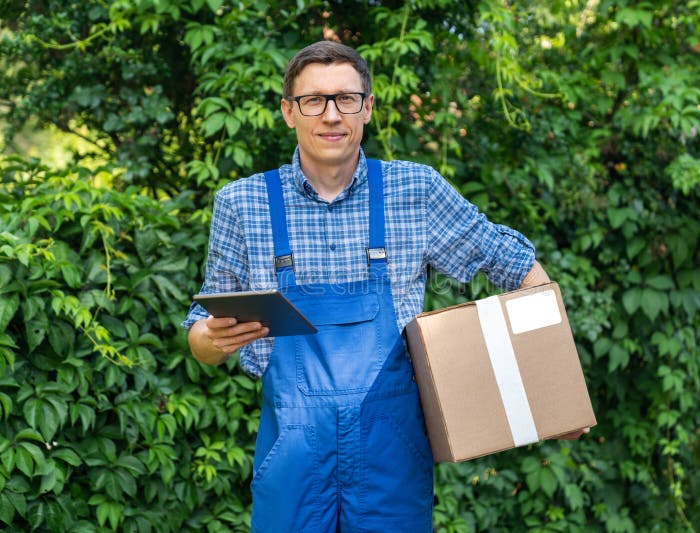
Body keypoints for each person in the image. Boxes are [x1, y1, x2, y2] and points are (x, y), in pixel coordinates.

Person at [184, 40, 585, 533]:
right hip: (292, 459)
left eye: (346, 98)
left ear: (368, 107)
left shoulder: (414, 190)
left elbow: (512, 263)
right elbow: (201, 336)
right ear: (289, 112)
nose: (331, 114)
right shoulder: (243, 204)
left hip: (390, 459)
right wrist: (209, 340)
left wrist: (554, 390)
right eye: (314, 100)